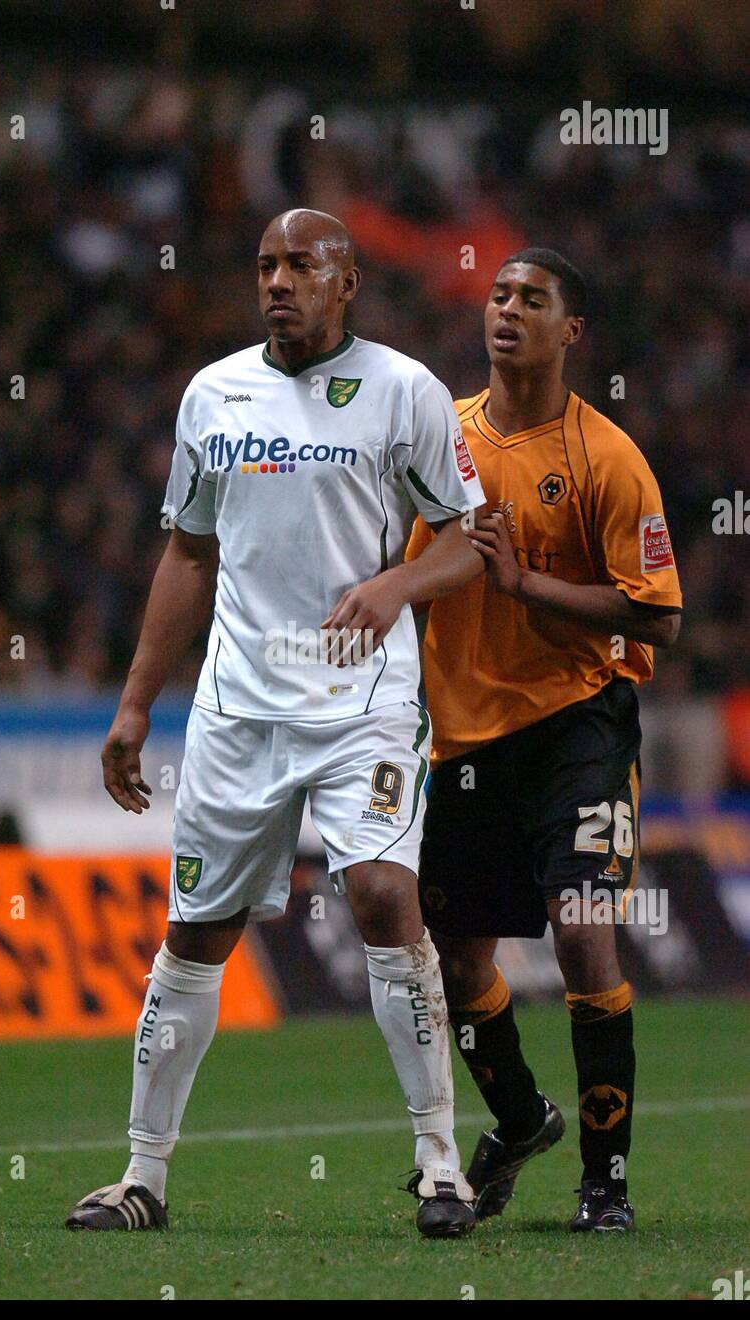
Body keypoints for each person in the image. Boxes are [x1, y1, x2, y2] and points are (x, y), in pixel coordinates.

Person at [65, 208, 487, 1237]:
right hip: (239, 708)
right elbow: (187, 554)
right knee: (196, 931)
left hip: (364, 704)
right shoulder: (214, 395)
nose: (279, 281)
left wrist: (396, 585)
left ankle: (440, 1165)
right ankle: (143, 1176)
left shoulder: (405, 391)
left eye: (304, 264)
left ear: (348, 282)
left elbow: (474, 541)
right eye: (265, 265)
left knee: (386, 896)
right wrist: (134, 702)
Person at [407, 248, 682, 1232]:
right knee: (456, 954)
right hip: (469, 740)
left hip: (580, 725)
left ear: (573, 332)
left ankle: (604, 1182)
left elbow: (659, 617)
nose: (508, 309)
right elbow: (418, 581)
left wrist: (528, 588)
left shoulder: (608, 457)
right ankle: (521, 1120)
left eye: (534, 298)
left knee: (581, 929)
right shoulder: (443, 443)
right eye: (499, 295)